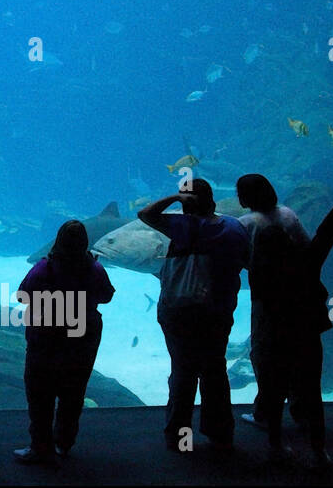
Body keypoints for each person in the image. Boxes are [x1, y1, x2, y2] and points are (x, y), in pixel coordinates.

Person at [248, 178, 333, 468]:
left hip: (273, 338)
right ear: (290, 241)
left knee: (274, 394)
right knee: (311, 393)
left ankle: (276, 445)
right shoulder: (308, 262)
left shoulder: (257, 272)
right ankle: (319, 450)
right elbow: (327, 232)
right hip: (305, 337)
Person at [139, 179, 248, 453]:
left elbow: (145, 214)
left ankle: (178, 437)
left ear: (188, 205)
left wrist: (176, 198)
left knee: (183, 373)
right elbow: (247, 262)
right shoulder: (234, 228)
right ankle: (220, 434)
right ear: (212, 202)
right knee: (214, 370)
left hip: (178, 312)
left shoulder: (182, 226)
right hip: (218, 311)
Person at [13, 220, 115, 463]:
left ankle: (40, 446)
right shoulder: (95, 269)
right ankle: (63, 444)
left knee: (40, 396)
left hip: (45, 340)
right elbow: (106, 296)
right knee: (73, 394)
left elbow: (22, 296)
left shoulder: (43, 269)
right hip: (81, 341)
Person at [235, 173, 312, 434]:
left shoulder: (244, 223)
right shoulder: (288, 215)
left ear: (244, 198)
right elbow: (307, 248)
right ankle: (302, 412)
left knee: (264, 354)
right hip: (296, 296)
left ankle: (265, 413)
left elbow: (238, 258)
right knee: (298, 354)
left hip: (265, 297)